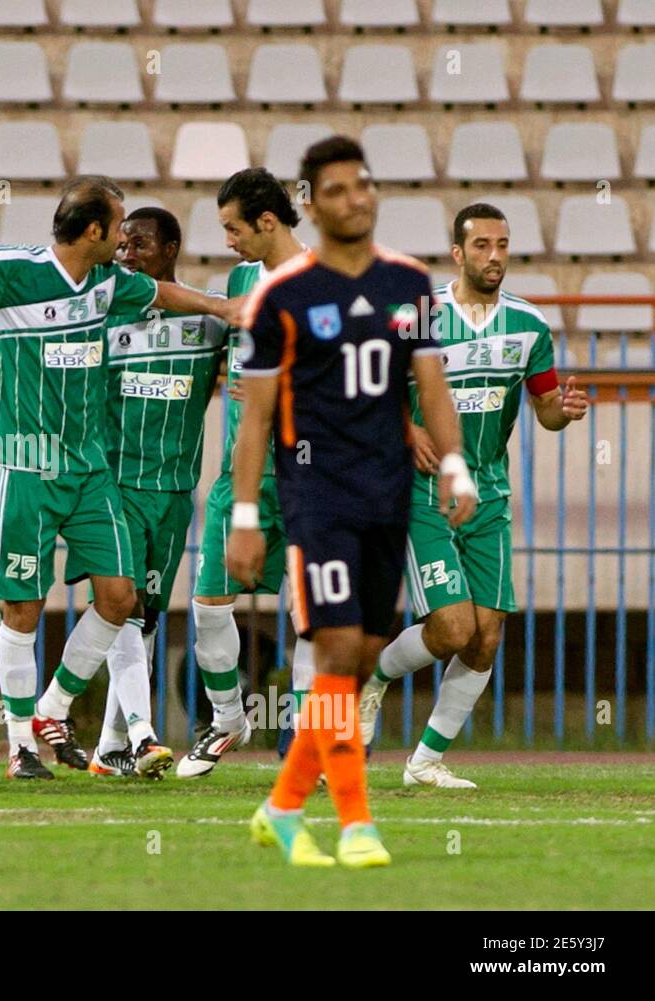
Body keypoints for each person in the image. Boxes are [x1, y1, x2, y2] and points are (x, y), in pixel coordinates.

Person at [0, 175, 242, 779]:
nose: (123, 241)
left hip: (89, 469)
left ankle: (51, 707)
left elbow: (161, 295)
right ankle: (19, 747)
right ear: (93, 231)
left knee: (120, 599)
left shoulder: (107, 281)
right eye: (118, 228)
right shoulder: (11, 266)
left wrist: (222, 308)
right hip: (25, 462)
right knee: (23, 609)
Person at [227, 137, 476, 867]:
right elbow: (256, 417)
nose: (352, 198)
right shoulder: (282, 296)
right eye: (334, 190)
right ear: (310, 203)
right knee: (335, 646)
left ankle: (279, 808)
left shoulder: (411, 282)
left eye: (361, 185)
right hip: (315, 493)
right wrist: (246, 516)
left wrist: (454, 463)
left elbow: (431, 387)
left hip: (387, 492)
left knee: (359, 659)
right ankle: (357, 824)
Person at [358, 203, 587, 788]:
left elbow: (544, 409)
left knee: (486, 639)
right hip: (424, 492)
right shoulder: (418, 317)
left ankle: (425, 762)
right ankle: (374, 677)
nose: (495, 257)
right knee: (453, 629)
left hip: (489, 494)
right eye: (482, 245)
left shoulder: (528, 325)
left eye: (503, 245)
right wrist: (406, 430)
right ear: (458, 253)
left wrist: (563, 410)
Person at [179, 167, 318, 779]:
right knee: (209, 602)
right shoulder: (238, 281)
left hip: (309, 478)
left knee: (310, 615)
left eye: (234, 228)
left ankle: (307, 741)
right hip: (240, 477)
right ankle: (228, 718)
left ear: (267, 222)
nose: (228, 240)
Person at [82, 205, 222, 778]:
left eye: (139, 245)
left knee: (145, 618)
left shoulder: (211, 326)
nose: (128, 255)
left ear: (171, 249)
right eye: (122, 247)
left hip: (173, 490)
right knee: (123, 607)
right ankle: (139, 736)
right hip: (114, 485)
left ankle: (109, 749)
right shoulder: (101, 318)